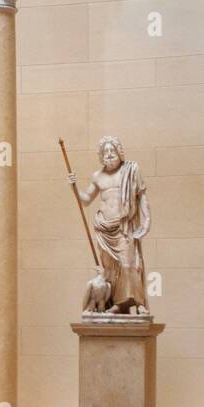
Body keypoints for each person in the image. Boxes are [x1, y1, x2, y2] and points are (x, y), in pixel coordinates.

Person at [67, 135, 151, 314]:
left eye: (112, 150)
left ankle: (138, 302)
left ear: (119, 152)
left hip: (123, 227)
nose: (109, 154)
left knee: (128, 265)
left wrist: (146, 220)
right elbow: (87, 200)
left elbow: (141, 195)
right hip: (104, 228)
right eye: (105, 151)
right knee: (110, 270)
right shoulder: (97, 176)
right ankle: (116, 304)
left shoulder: (130, 170)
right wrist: (74, 187)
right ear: (101, 155)